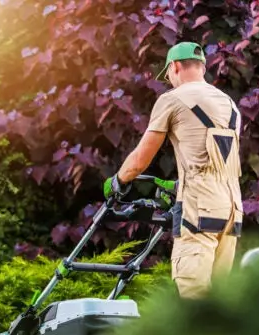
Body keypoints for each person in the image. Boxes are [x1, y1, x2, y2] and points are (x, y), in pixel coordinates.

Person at [103, 41, 243, 299]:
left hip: (200, 209)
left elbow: (140, 160)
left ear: (176, 66)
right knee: (220, 301)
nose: (168, 79)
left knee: (194, 294)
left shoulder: (172, 99)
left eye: (168, 73)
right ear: (201, 67)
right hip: (232, 209)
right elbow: (215, 158)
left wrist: (118, 181)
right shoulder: (229, 103)